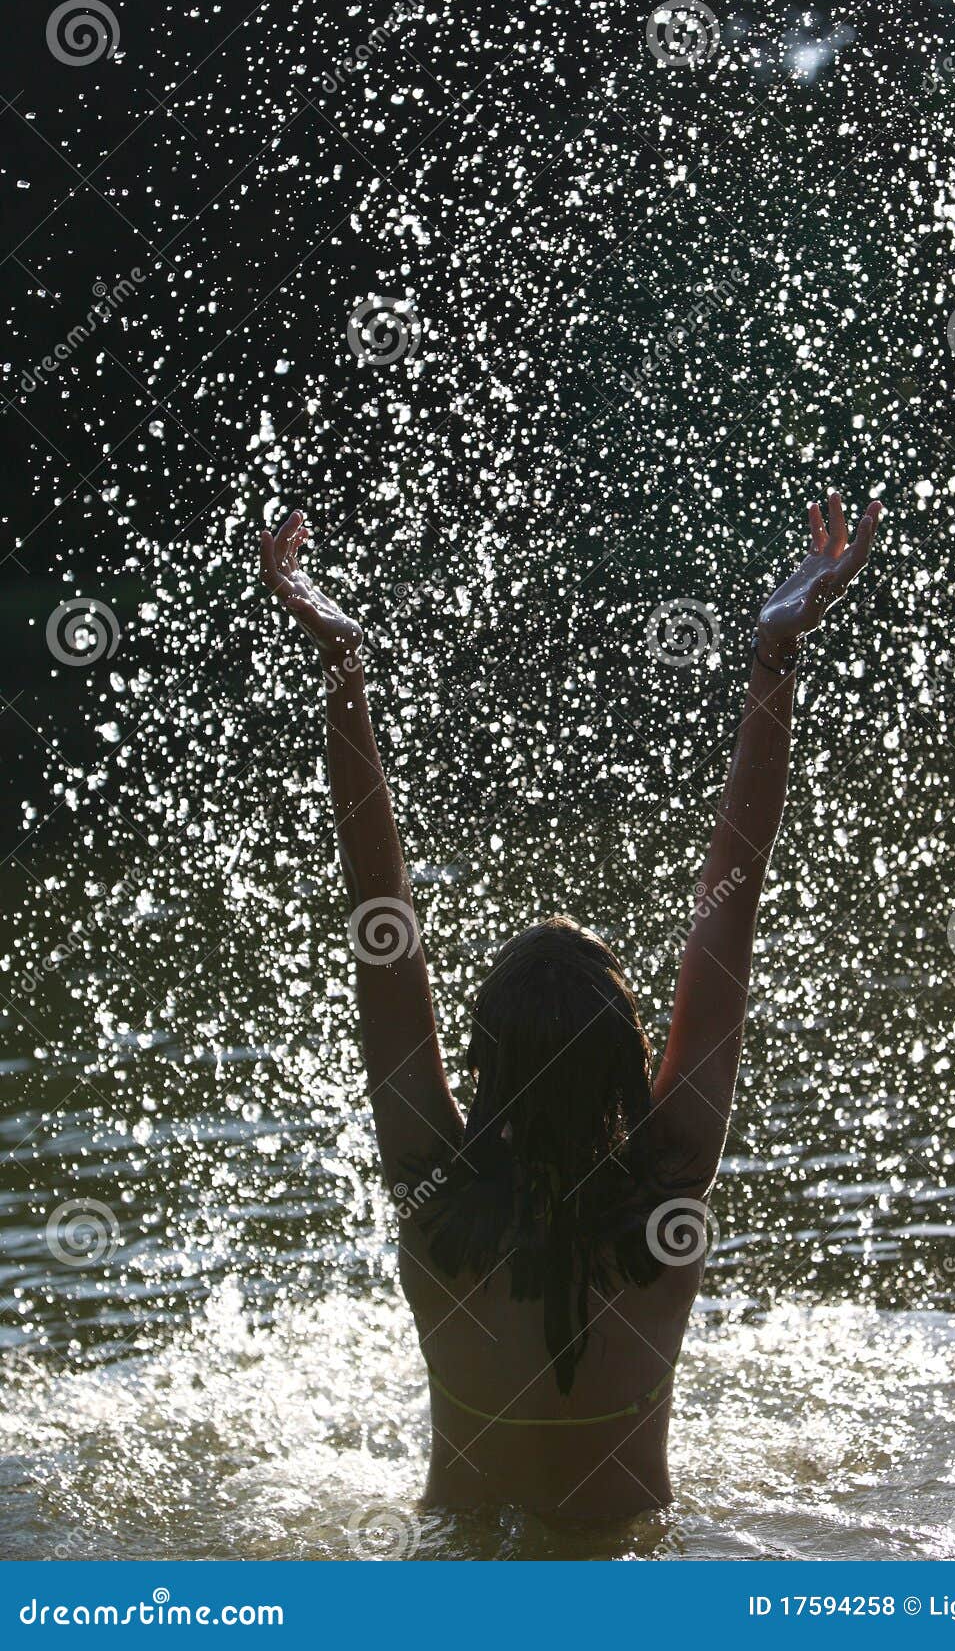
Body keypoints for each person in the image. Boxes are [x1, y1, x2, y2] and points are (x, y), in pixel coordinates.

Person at [259, 491, 881, 1518]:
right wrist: (773, 657)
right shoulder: (665, 1199)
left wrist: (343, 665)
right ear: (628, 1058)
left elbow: (381, 911)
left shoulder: (433, 1201)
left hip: (454, 1583)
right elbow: (735, 894)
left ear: (481, 1060)